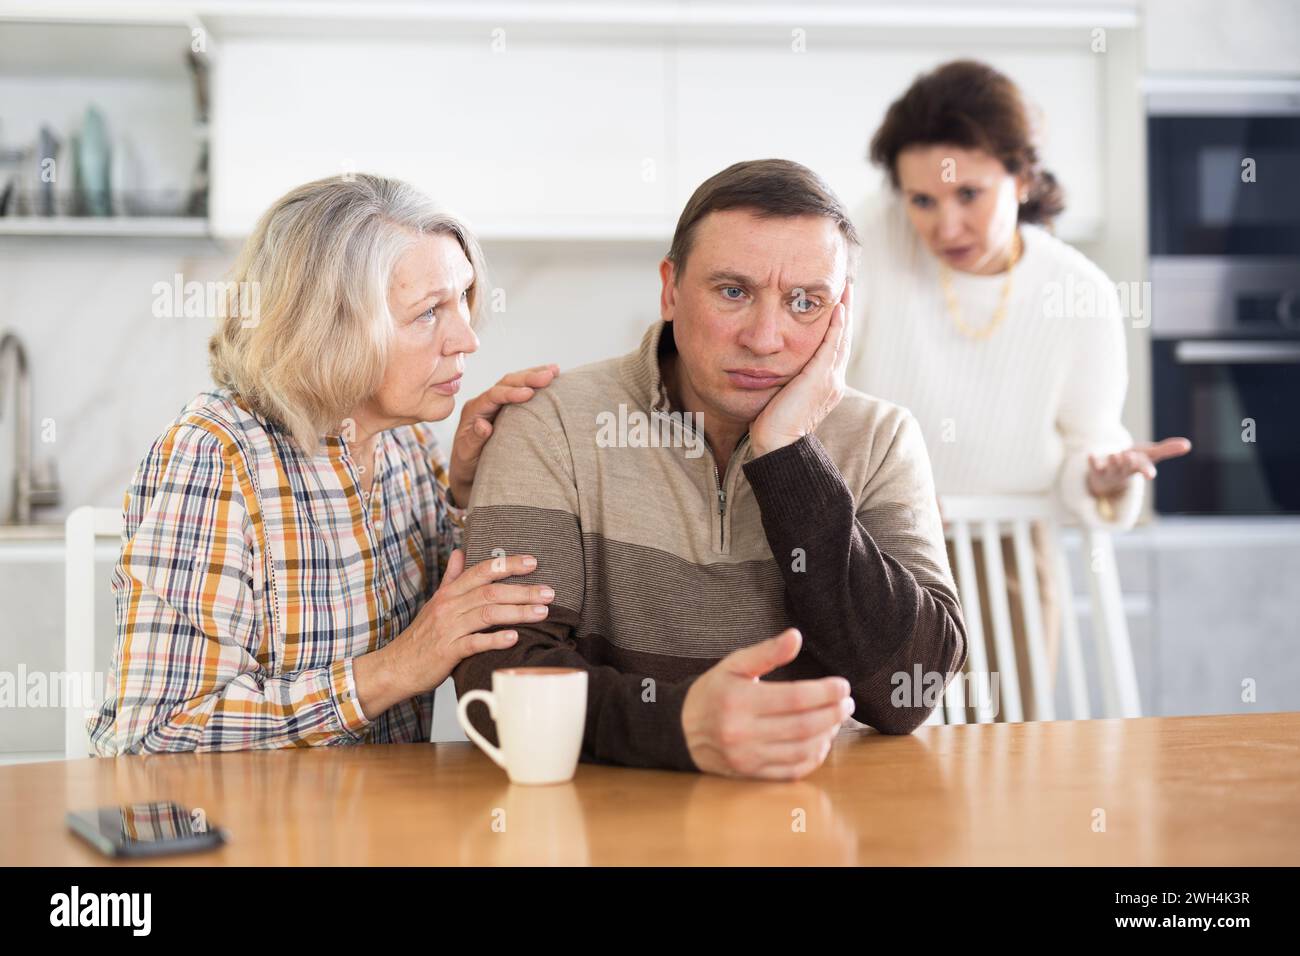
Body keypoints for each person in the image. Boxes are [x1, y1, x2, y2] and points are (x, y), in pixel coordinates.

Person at [454, 159, 967, 780]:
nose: (765, 337)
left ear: (842, 314)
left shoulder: (882, 438)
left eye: (805, 302)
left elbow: (911, 688)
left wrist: (787, 453)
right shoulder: (550, 423)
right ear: (670, 289)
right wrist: (682, 727)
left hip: (832, 816)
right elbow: (499, 680)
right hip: (611, 817)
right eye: (733, 292)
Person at [88, 173, 558, 754]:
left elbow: (459, 617)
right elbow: (151, 740)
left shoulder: (407, 447)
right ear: (329, 329)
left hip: (379, 829)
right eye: (428, 312)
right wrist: (393, 670)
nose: (467, 337)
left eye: (462, 297)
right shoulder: (217, 457)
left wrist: (468, 488)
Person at [848, 60, 1190, 717]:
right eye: (922, 200)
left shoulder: (1080, 292)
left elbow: (1083, 457)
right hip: (877, 548)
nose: (945, 227)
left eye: (968, 194)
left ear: (1022, 177)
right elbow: (821, 389)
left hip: (1007, 561)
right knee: (876, 764)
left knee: (1004, 764)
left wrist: (1101, 477)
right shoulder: (870, 240)